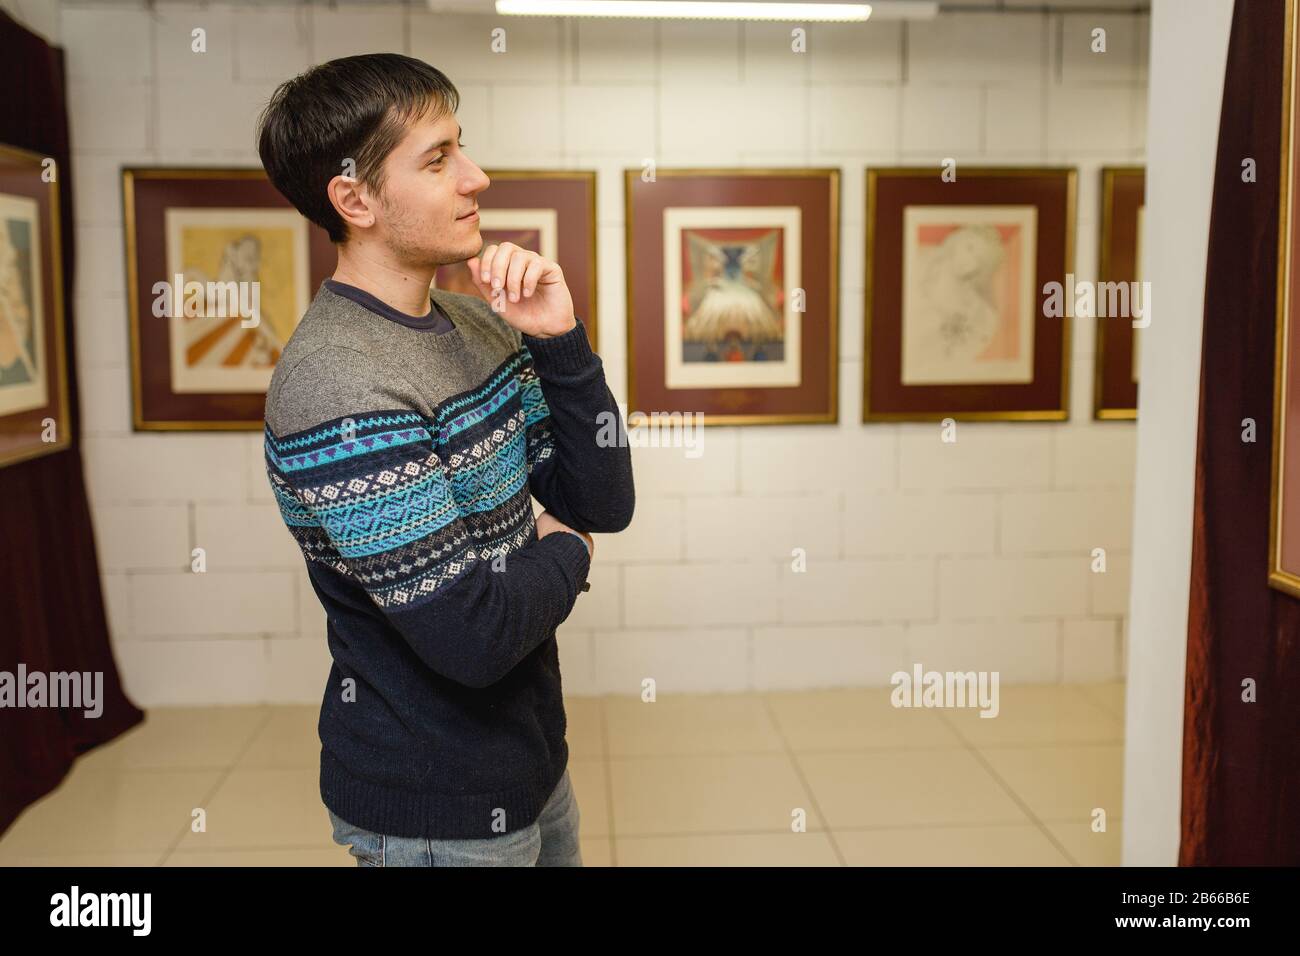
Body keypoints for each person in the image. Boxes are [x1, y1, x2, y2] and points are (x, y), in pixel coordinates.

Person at [255, 53, 635, 866]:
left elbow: (601, 499)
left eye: (462, 146)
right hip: (433, 810)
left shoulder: (481, 325)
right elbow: (474, 637)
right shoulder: (338, 384)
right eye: (438, 159)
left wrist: (560, 341)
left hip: (534, 759)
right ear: (354, 199)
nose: (477, 177)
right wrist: (567, 548)